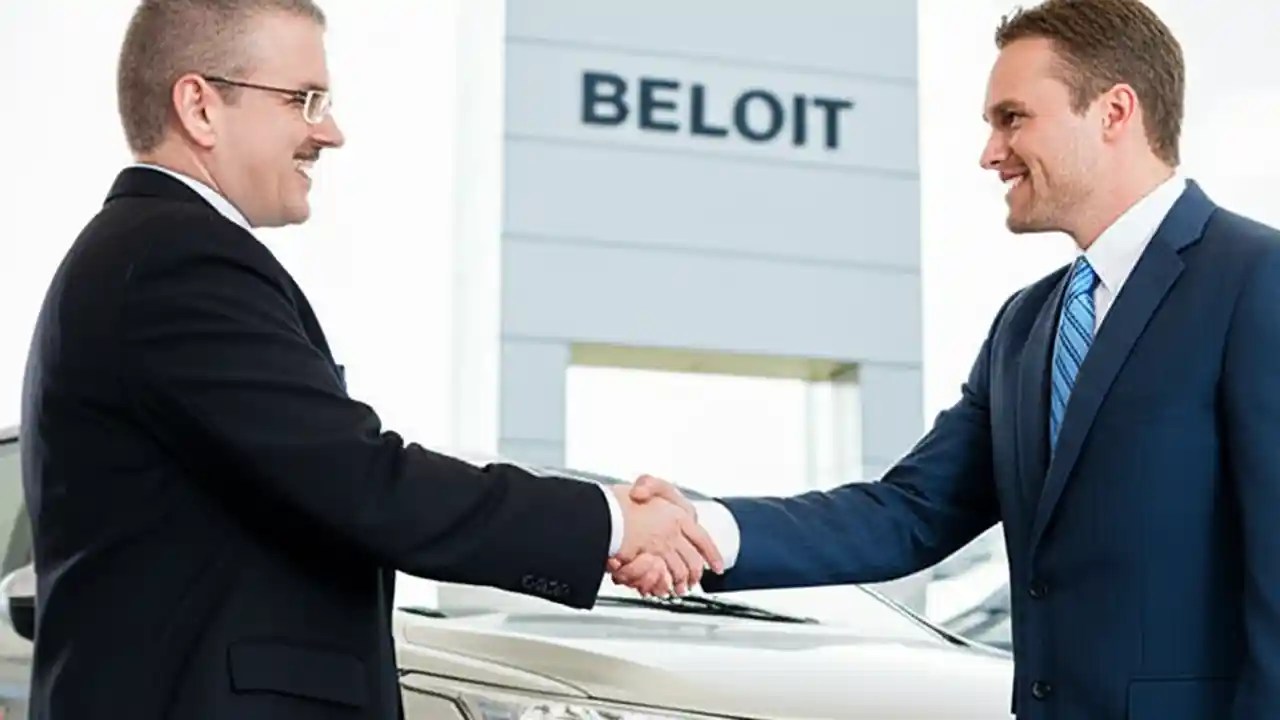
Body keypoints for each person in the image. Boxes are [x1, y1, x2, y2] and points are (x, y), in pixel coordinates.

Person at [18, 1, 721, 718]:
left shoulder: (147, 256)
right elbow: (365, 483)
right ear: (200, 106)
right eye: (304, 100)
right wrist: (609, 524)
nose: (330, 132)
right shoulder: (176, 261)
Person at [612, 0, 1280, 718]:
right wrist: (704, 529)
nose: (990, 153)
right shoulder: (1025, 325)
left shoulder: (1256, 281)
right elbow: (908, 513)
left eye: (1012, 118)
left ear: (1115, 111)